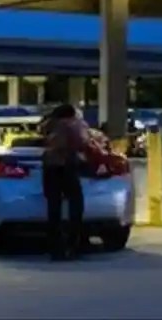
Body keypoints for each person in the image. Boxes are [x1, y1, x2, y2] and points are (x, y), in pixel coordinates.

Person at [39, 103, 98, 260]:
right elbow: (82, 142)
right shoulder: (73, 125)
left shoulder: (48, 124)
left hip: (50, 168)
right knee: (76, 205)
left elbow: (43, 139)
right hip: (67, 166)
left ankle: (54, 247)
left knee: (54, 208)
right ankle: (74, 244)